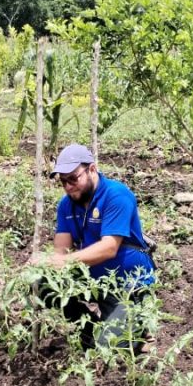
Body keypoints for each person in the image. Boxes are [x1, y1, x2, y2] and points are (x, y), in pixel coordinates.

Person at [37, 144, 155, 349]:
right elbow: (60, 249)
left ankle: (134, 329)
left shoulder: (116, 195)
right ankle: (87, 328)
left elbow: (109, 247)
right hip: (94, 278)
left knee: (115, 345)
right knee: (42, 283)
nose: (68, 186)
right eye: (63, 182)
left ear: (92, 169)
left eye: (73, 178)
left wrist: (63, 261)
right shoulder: (66, 205)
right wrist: (45, 263)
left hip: (126, 280)